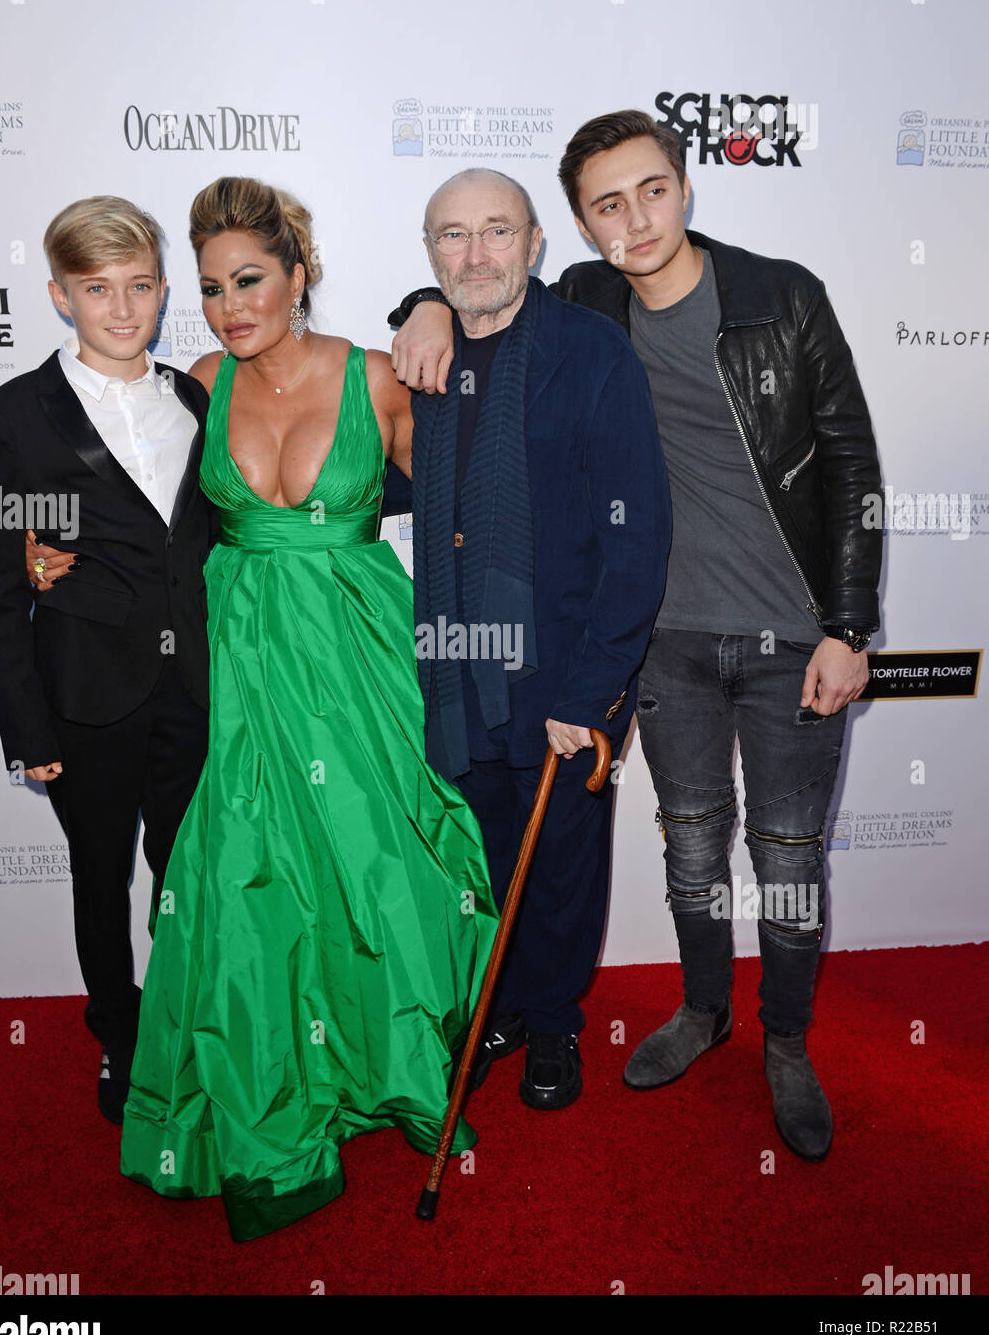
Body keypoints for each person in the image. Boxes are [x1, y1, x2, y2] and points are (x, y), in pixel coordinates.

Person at [390, 113, 883, 1161]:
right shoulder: (588, 300)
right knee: (693, 843)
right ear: (577, 224)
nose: (634, 219)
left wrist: (847, 624)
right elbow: (469, 291)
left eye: (649, 191)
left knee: (785, 855)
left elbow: (847, 461)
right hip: (664, 639)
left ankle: (784, 1042)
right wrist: (423, 304)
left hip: (791, 631)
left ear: (684, 186)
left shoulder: (779, 297)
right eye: (606, 204)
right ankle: (703, 1011)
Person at [106, 177, 498, 1241]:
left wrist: (431, 299)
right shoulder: (195, 382)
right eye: (212, 287)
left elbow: (469, 514)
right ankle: (272, 1097)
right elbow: (134, 514)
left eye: (250, 280)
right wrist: (53, 559)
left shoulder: (376, 378)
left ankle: (398, 1071)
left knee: (379, 865)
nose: (231, 306)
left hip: (360, 658)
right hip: (238, 663)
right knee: (246, 878)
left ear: (296, 275)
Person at [390, 168, 670, 1112]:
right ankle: (499, 1006)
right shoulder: (417, 366)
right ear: (431, 256)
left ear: (537, 243)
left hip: (562, 674)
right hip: (458, 665)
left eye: (496, 232)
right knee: (486, 855)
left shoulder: (592, 354)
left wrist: (589, 695)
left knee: (559, 862)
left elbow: (639, 543)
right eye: (453, 238)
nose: (476, 255)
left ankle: (553, 1025)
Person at [0, 196, 213, 1125]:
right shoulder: (15, 412)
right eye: (97, 289)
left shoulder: (195, 396)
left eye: (141, 286)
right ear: (59, 295)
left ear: (163, 290)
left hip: (193, 685)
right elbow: (4, 574)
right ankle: (119, 1035)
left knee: (187, 872)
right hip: (84, 696)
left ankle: (187, 1017)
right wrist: (24, 721)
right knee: (98, 875)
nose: (122, 309)